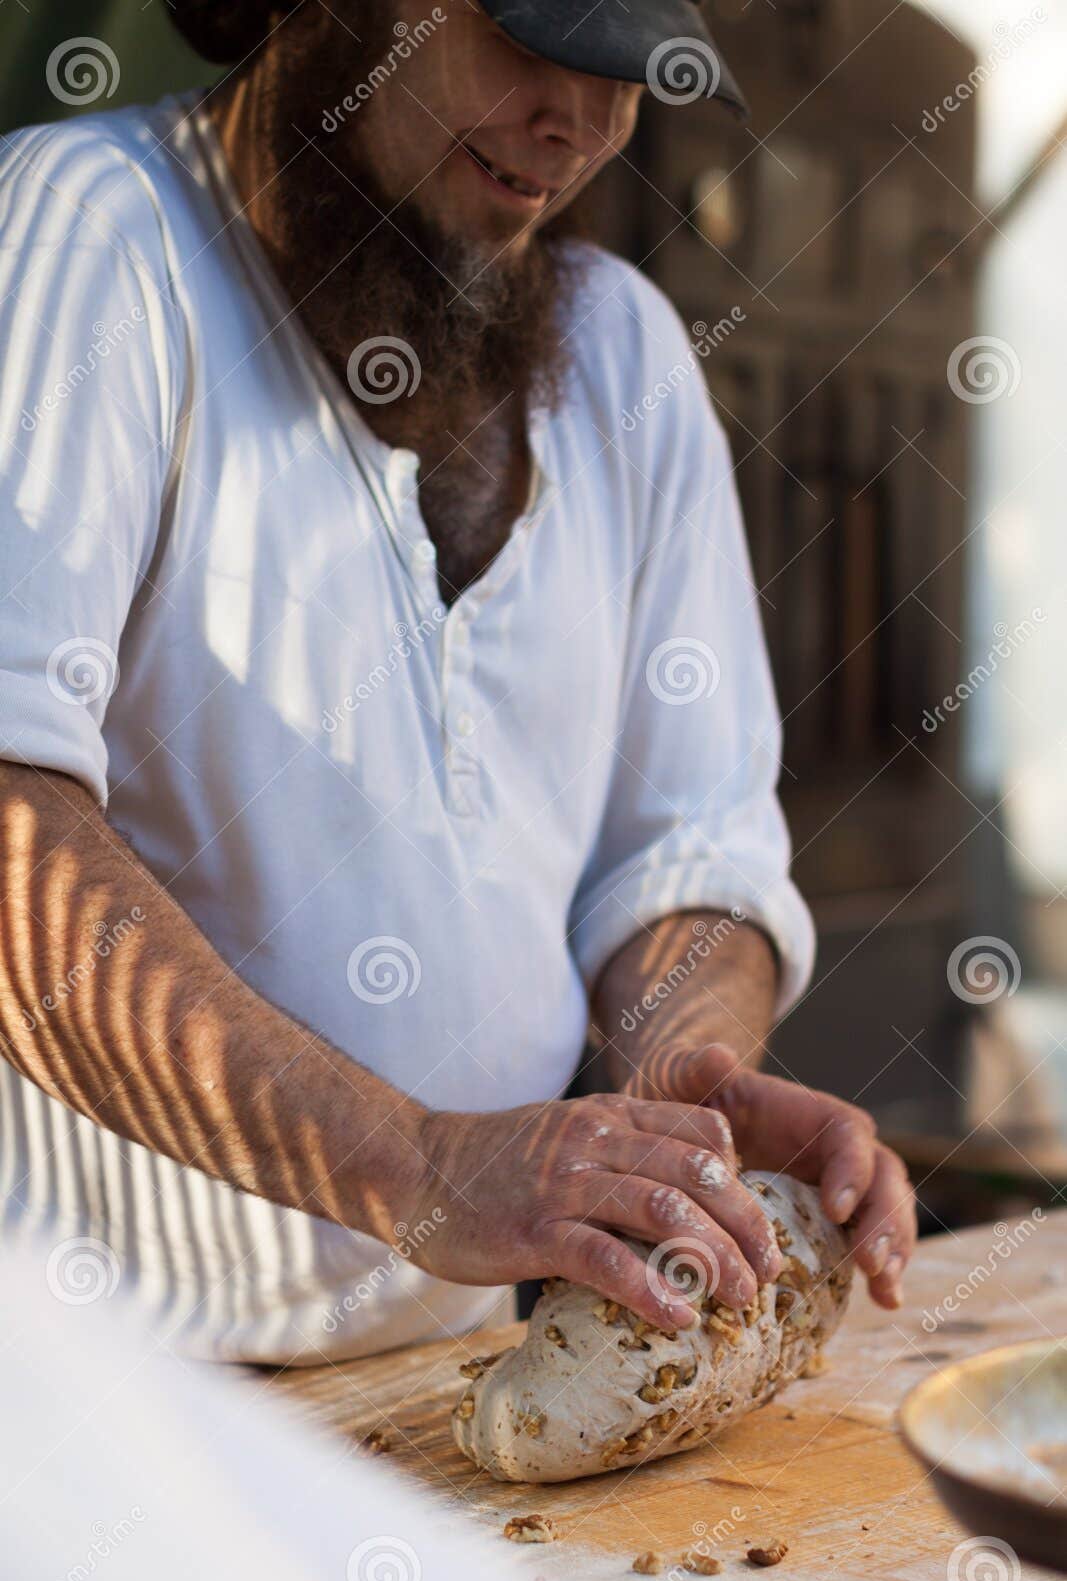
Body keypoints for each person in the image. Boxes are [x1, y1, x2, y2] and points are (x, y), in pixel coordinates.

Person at [0, 0, 916, 1365]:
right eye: (528, 40)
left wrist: (688, 1072)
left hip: (448, 1385)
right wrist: (419, 1169)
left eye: (619, 72)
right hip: (103, 1410)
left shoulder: (629, 359)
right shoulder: (88, 241)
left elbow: (689, 848)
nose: (581, 120)